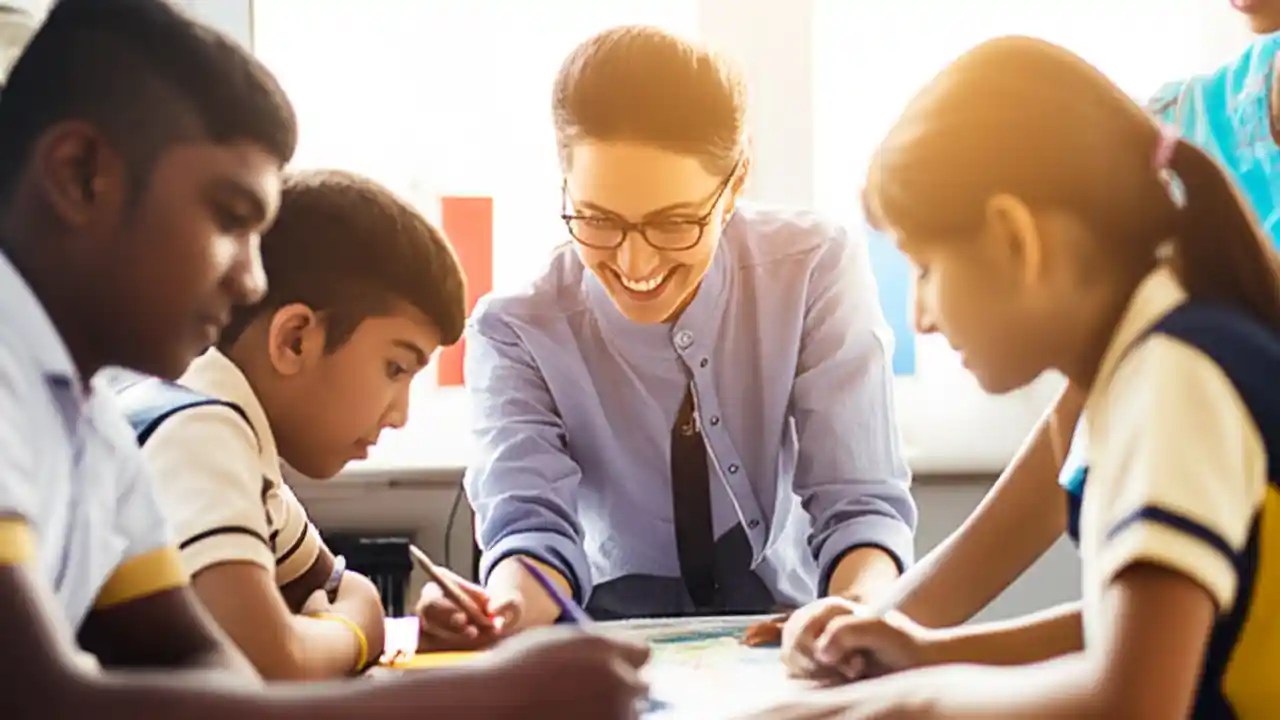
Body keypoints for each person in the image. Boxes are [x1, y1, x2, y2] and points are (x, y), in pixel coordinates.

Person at [0, 2, 648, 718]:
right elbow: (41, 698)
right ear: (81, 174)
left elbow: (221, 681)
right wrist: (489, 694)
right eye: (230, 217)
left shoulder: (91, 428)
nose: (251, 280)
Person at [753, 35, 1280, 720]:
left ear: (1013, 239)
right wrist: (923, 652)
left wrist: (906, 705)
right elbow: (1146, 628)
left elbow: (1136, 699)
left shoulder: (1174, 380)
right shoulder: (1160, 356)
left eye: (925, 271)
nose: (922, 319)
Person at [415, 24, 917, 649]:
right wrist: (502, 611)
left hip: (791, 625)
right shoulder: (517, 329)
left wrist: (853, 613)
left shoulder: (814, 267)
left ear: (735, 185)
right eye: (597, 220)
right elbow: (531, 530)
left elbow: (860, 504)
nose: (635, 263)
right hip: (607, 640)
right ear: (564, 182)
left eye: (675, 223)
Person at [114, 169, 469, 680]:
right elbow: (271, 662)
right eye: (395, 368)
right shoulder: (198, 431)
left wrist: (347, 622)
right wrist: (349, 634)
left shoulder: (237, 434)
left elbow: (349, 590)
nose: (401, 415)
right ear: (296, 339)